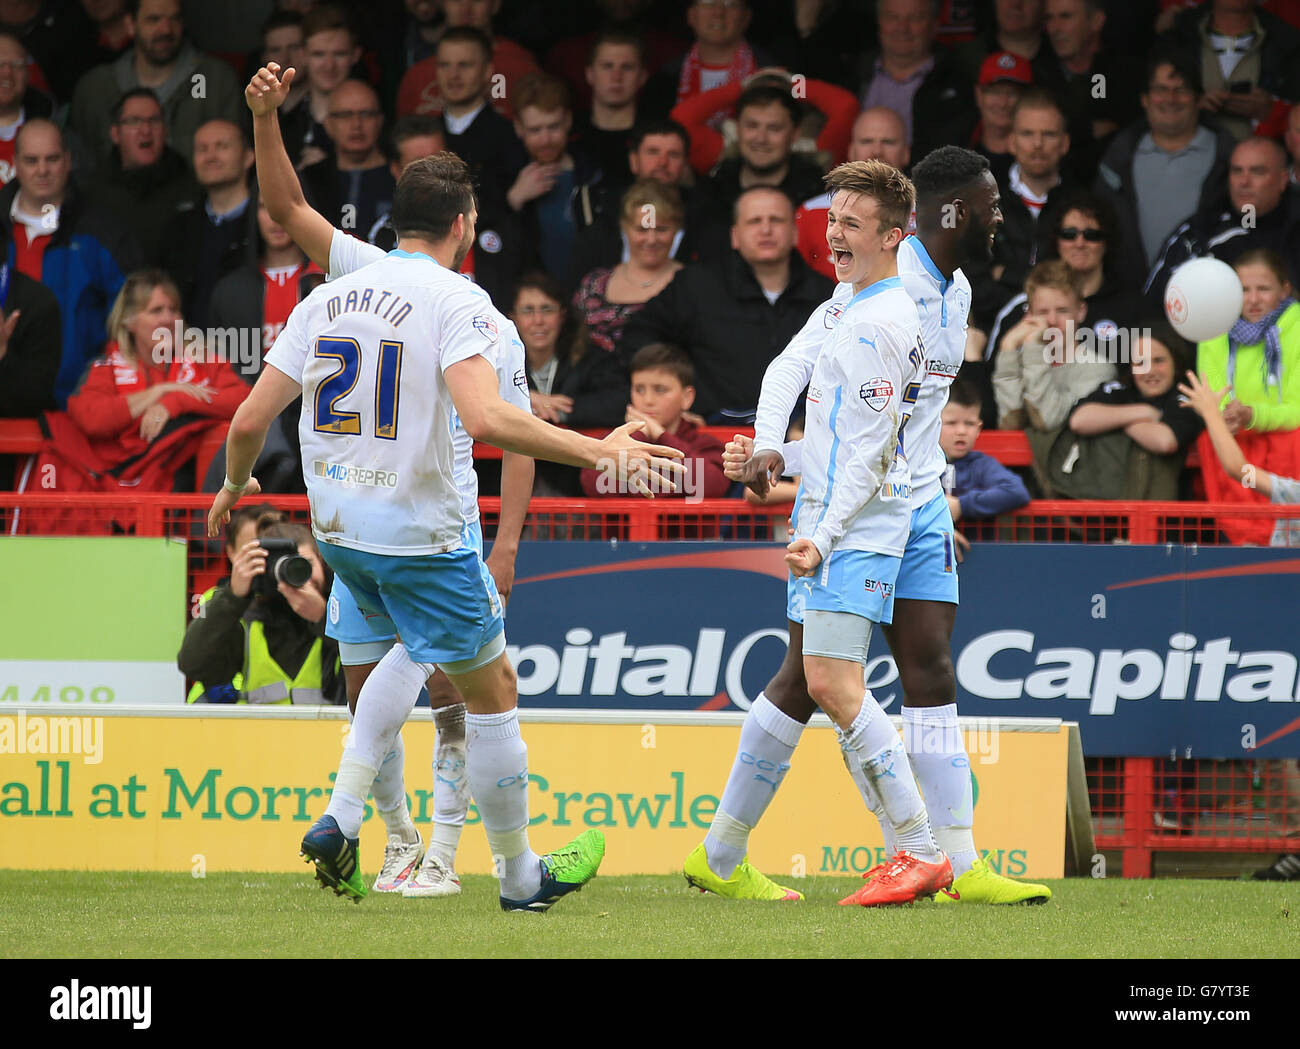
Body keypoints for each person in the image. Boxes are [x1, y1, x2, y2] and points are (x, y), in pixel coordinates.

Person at [227, 70, 684, 906]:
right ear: (467, 226)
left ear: (392, 223)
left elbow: (286, 213)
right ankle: (510, 875)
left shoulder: (342, 283)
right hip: (423, 530)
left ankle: (363, 823)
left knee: (399, 670)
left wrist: (262, 118)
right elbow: (498, 425)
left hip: (341, 528)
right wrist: (598, 450)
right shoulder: (470, 307)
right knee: (488, 688)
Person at [706, 146, 1050, 906]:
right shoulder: (879, 292)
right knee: (814, 678)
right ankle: (765, 851)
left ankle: (956, 863)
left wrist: (776, 449)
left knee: (926, 667)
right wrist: (777, 449)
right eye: (991, 203)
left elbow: (894, 419)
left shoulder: (952, 289)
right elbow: (827, 396)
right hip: (857, 506)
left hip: (916, 498)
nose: (1000, 216)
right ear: (950, 210)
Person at [692, 157, 955, 907]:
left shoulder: (885, 322)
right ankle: (720, 855)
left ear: (894, 237)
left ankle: (921, 850)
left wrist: (826, 532)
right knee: (803, 677)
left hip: (861, 527)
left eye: (851, 224)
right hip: (828, 519)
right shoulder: (847, 300)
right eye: (832, 218)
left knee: (834, 684)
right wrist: (769, 448)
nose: (833, 234)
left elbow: (870, 458)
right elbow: (785, 370)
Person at [619, 185, 833, 424]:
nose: (765, 230)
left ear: (795, 233)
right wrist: (678, 403)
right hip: (711, 436)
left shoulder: (827, 296)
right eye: (754, 221)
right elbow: (638, 335)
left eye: (776, 220)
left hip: (798, 438)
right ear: (734, 236)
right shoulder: (696, 285)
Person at [0, 119, 138, 408]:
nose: (42, 170)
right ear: (14, 164)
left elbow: (131, 317)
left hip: (78, 403)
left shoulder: (103, 231)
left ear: (68, 160)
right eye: (31, 160)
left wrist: (101, 386)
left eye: (52, 159)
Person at [65, 269, 249, 483]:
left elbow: (245, 401)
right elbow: (91, 418)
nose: (168, 319)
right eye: (156, 311)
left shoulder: (204, 357)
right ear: (128, 321)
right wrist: (157, 392)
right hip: (121, 490)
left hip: (187, 496)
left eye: (173, 310)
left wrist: (176, 402)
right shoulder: (106, 366)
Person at [1094, 50, 1237, 288]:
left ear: (1198, 99)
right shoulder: (1117, 159)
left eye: (1181, 90)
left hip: (1205, 298)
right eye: (1160, 89)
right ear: (1145, 99)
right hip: (1130, 301)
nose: (1170, 99)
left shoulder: (1229, 158)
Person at [1195, 248, 1300, 544]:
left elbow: (1297, 409)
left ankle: (1278, 545)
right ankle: (1247, 544)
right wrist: (1226, 416)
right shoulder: (1212, 328)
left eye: (1263, 289)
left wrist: (1252, 416)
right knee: (1210, 438)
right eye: (1242, 290)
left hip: (1286, 442)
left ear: (1285, 289)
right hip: (1236, 443)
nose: (1252, 300)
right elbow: (1211, 396)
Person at [180, 518, 345, 706]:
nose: (295, 576)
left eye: (304, 564)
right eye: (285, 568)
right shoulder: (248, 622)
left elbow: (370, 663)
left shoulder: (343, 612)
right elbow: (194, 664)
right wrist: (233, 595)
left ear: (323, 565)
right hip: (258, 734)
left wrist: (323, 618)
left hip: (328, 733)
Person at [67, 0, 244, 171]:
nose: (166, 29)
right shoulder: (94, 88)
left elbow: (239, 158)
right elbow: (78, 167)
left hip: (196, 199)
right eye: (154, 19)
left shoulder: (215, 79)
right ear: (130, 24)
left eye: (175, 19)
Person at [1145, 136, 1300, 304]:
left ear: (1283, 179)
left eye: (1257, 171)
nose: (1244, 181)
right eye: (1237, 171)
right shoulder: (1199, 232)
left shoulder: (1295, 228)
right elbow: (1153, 307)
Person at [1058, 324, 1204, 499]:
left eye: (1158, 361)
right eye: (1140, 362)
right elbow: (1079, 420)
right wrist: (1145, 413)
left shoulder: (1186, 394)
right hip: (1113, 510)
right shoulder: (1120, 389)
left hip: (1170, 517)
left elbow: (1165, 441)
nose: (1149, 371)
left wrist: (1115, 422)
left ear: (1176, 363)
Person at [580, 343, 729, 500]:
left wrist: (661, 435)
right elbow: (593, 485)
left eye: (660, 390)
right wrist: (637, 434)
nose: (648, 400)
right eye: (639, 389)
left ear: (687, 397)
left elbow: (713, 486)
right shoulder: (612, 441)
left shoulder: (705, 444)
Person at [993, 258, 1116, 432]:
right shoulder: (1020, 360)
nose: (1051, 320)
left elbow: (1048, 421)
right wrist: (1008, 348)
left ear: (1081, 311)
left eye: (1062, 311)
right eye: (1043, 312)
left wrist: (1034, 347)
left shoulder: (1098, 368)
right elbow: (1009, 426)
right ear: (1029, 315)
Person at [671, 67, 859, 178]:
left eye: (774, 127)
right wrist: (744, 85)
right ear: (738, 126)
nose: (761, 138)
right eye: (752, 125)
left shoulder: (816, 155)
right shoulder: (724, 154)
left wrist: (791, 83)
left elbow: (846, 106)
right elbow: (681, 118)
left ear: (795, 131)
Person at [794, 107, 912, 281]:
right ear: (851, 151)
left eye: (888, 142)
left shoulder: (931, 215)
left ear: (906, 153)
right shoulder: (809, 213)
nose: (877, 151)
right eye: (866, 141)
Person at [84, 88, 197, 268]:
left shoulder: (191, 188)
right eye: (134, 121)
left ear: (166, 131)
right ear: (115, 134)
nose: (145, 130)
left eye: (154, 120)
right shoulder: (93, 194)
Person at [161, 119, 258, 329]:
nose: (210, 156)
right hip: (190, 353)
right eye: (202, 149)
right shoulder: (178, 228)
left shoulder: (266, 223)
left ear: (249, 157)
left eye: (222, 146)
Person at [1160, 0, 1300, 143]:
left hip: (1260, 158)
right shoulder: (1176, 37)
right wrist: (1192, 104)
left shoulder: (1288, 43)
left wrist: (1272, 112)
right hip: (1188, 155)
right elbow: (1152, 100)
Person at [573, 178, 684, 354]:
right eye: (641, 229)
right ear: (624, 228)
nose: (651, 240)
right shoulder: (593, 284)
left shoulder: (693, 285)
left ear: (677, 229)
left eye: (661, 229)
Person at [855, 0, 975, 160]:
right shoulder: (851, 74)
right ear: (879, 22)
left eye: (915, 18)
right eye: (892, 17)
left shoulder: (958, 84)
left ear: (934, 26)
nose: (903, 28)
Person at [395, 0, 540, 122]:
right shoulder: (416, 75)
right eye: (456, 0)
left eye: (476, 0)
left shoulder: (521, 66)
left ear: (495, 4)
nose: (465, 9)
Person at [300, 79, 395, 246]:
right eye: (345, 115)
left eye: (366, 114)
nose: (356, 124)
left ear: (380, 121)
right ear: (328, 125)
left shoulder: (400, 176)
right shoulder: (309, 180)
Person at [942, 377, 1031, 521]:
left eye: (969, 423)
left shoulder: (982, 465)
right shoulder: (923, 464)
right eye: (951, 423)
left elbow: (1016, 491)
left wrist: (961, 506)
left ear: (979, 428)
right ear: (934, 424)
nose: (961, 431)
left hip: (973, 544)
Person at [0, 30, 53, 186]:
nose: (7, 73)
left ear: (28, 75)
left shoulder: (57, 133)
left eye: (16, 65)